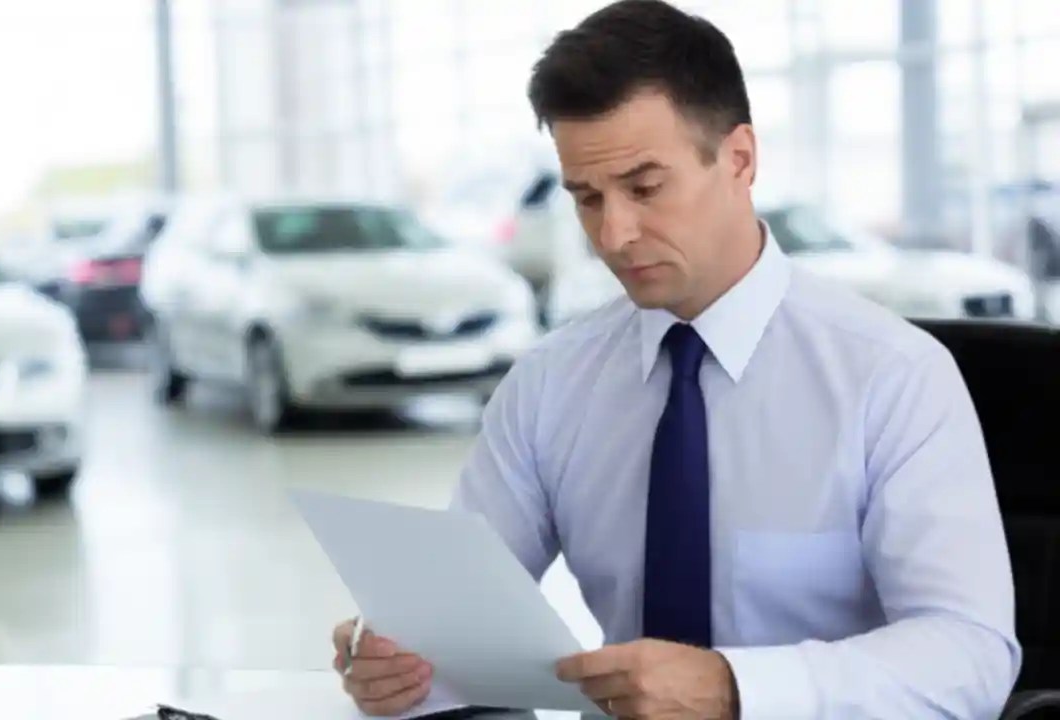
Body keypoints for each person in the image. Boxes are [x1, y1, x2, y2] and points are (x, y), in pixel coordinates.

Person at [332, 0, 1021, 717]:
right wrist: (405, 666)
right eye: (587, 198)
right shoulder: (549, 384)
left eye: (644, 187)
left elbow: (969, 655)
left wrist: (735, 690)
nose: (614, 233)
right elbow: (463, 621)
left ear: (740, 159)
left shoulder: (893, 377)